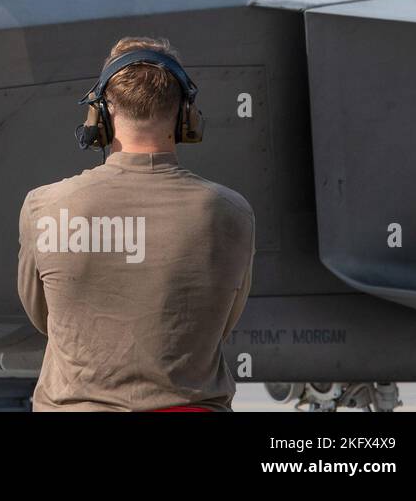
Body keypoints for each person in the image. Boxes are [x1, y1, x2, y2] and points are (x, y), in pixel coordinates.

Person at [17, 36, 255, 411]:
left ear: (102, 115)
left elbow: (44, 317)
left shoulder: (45, 206)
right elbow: (222, 323)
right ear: (184, 117)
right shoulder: (231, 212)